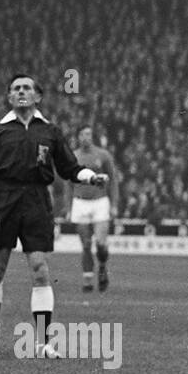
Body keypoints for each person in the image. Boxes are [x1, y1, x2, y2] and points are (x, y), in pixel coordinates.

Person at [0, 74, 109, 356]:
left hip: (37, 200)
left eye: (27, 87)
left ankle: (42, 343)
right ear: (9, 97)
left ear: (38, 96)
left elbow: (69, 168)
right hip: (2, 199)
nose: (22, 91)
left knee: (40, 269)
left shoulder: (50, 131)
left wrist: (90, 177)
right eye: (16, 88)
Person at [67, 125, 119, 292]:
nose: (86, 137)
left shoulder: (103, 155)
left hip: (100, 201)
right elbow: (68, 184)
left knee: (101, 243)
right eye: (82, 134)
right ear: (78, 137)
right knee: (86, 244)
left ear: (92, 136)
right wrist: (68, 207)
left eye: (88, 134)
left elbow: (113, 180)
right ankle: (88, 279)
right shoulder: (73, 156)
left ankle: (102, 266)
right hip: (80, 202)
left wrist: (114, 204)